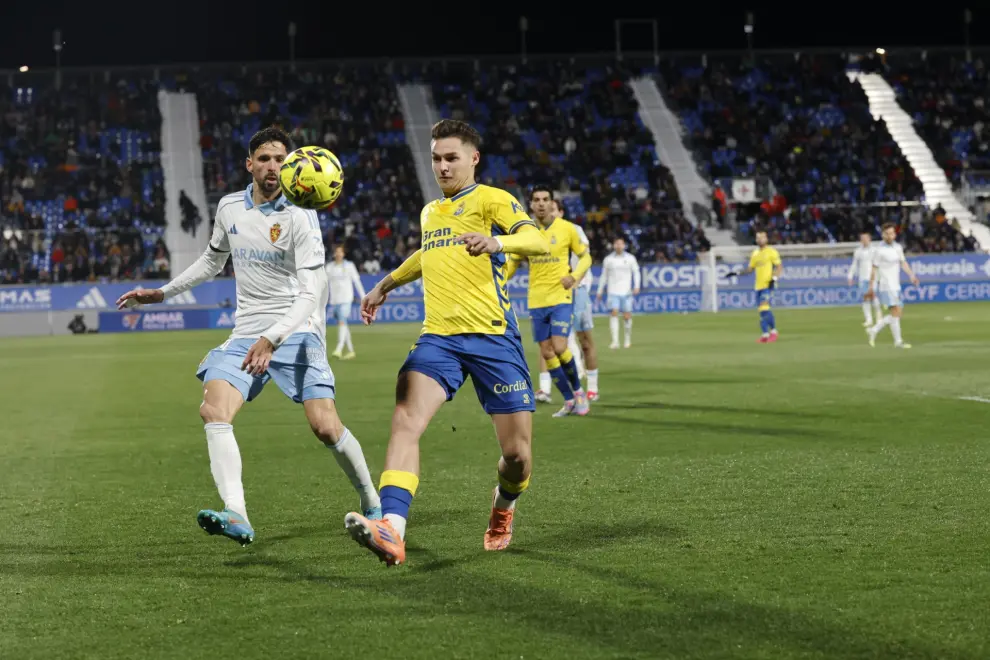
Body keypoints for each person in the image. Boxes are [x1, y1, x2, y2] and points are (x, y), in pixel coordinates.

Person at [116, 126, 381, 547]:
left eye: (280, 159)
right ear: (250, 164)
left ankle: (372, 501)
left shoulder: (301, 215)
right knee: (213, 410)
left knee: (325, 426)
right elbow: (210, 261)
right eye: (265, 159)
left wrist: (273, 338)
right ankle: (236, 513)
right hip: (246, 331)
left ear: (290, 165)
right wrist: (161, 293)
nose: (273, 166)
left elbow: (311, 293)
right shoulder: (228, 208)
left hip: (296, 329)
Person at [343, 119, 550, 567]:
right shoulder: (430, 211)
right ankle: (392, 529)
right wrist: (385, 284)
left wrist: (497, 242)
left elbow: (536, 239)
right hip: (438, 337)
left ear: (473, 158)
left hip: (494, 337)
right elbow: (428, 252)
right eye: (436, 158)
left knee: (516, 457)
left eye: (451, 157)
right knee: (405, 420)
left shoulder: (494, 199)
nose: (442, 166)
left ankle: (503, 507)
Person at [505, 186, 592, 417]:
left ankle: (579, 391)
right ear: (531, 205)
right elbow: (513, 263)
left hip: (561, 296)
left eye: (545, 199)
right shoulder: (525, 232)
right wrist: (499, 279)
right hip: (536, 299)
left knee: (560, 346)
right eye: (536, 200)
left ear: (552, 203)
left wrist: (574, 277)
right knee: (546, 352)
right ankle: (568, 400)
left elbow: (586, 257)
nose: (541, 203)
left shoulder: (567, 229)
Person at [867, 222, 920, 348]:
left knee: (896, 314)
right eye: (887, 234)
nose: (890, 236)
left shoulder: (898, 247)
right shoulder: (879, 250)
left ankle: (882, 334)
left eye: (892, 233)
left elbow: (903, 263)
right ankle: (888, 337)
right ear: (883, 235)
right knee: (896, 312)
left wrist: (911, 275)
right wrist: (871, 286)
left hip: (896, 285)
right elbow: (874, 269)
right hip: (885, 285)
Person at [733, 230, 782, 343]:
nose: (760, 240)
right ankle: (765, 334)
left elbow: (779, 267)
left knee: (764, 308)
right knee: (761, 310)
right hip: (758, 286)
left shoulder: (771, 252)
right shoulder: (755, 253)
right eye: (758, 238)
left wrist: (774, 278)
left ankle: (773, 332)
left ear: (766, 239)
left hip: (768, 285)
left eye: (762, 237)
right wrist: (738, 273)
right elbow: (750, 269)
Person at [596, 237, 640, 349]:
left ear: (624, 245)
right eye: (617, 244)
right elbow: (604, 276)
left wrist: (637, 286)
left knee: (627, 316)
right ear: (614, 245)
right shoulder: (608, 259)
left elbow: (636, 273)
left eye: (621, 244)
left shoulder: (630, 258)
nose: (619, 246)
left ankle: (627, 340)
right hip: (613, 291)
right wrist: (600, 290)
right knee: (614, 313)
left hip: (626, 291)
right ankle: (615, 341)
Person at [326, 245, 365, 359]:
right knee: (343, 323)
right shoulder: (329, 267)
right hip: (335, 300)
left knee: (342, 322)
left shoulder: (349, 266)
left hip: (347, 298)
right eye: (336, 252)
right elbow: (324, 284)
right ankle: (351, 350)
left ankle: (339, 348)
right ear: (334, 254)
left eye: (340, 252)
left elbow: (356, 281)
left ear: (343, 254)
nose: (338, 254)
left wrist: (363, 297)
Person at [847, 231, 881, 327]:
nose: (864, 240)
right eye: (862, 239)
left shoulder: (875, 250)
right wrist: (850, 276)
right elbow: (854, 265)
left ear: (869, 239)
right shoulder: (858, 251)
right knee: (865, 298)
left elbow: (878, 264)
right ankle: (869, 319)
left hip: (872, 277)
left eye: (865, 238)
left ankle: (879, 318)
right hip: (862, 277)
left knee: (873, 296)